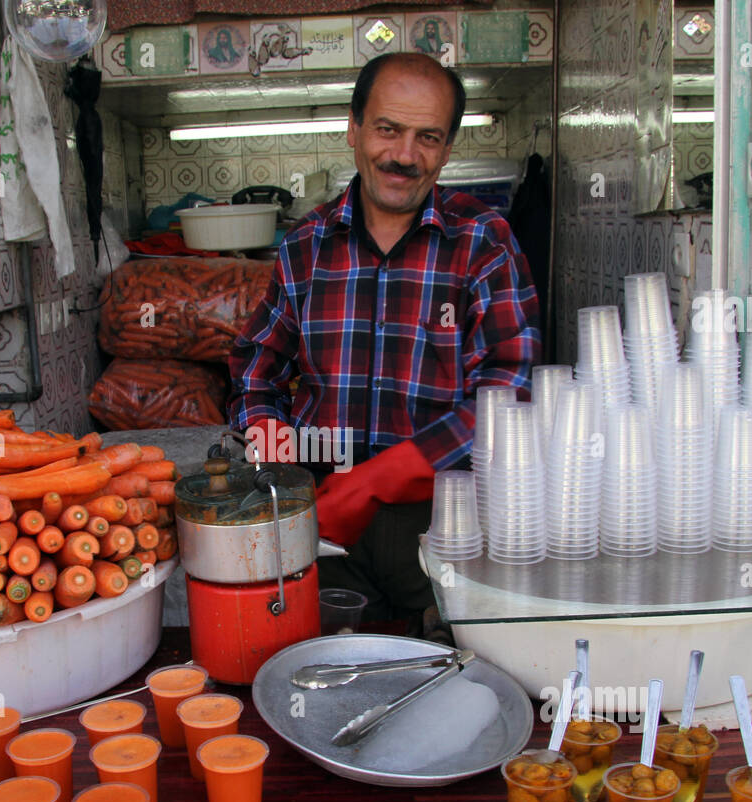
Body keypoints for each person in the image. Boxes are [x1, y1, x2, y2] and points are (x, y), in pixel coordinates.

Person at [227, 52, 540, 633]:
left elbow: (511, 392)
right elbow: (256, 369)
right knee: (330, 683)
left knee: (453, 689)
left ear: (447, 150)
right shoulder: (307, 246)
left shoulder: (484, 243)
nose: (403, 155)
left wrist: (381, 479)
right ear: (354, 128)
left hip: (447, 525)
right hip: (323, 520)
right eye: (388, 129)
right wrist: (280, 466)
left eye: (428, 137)